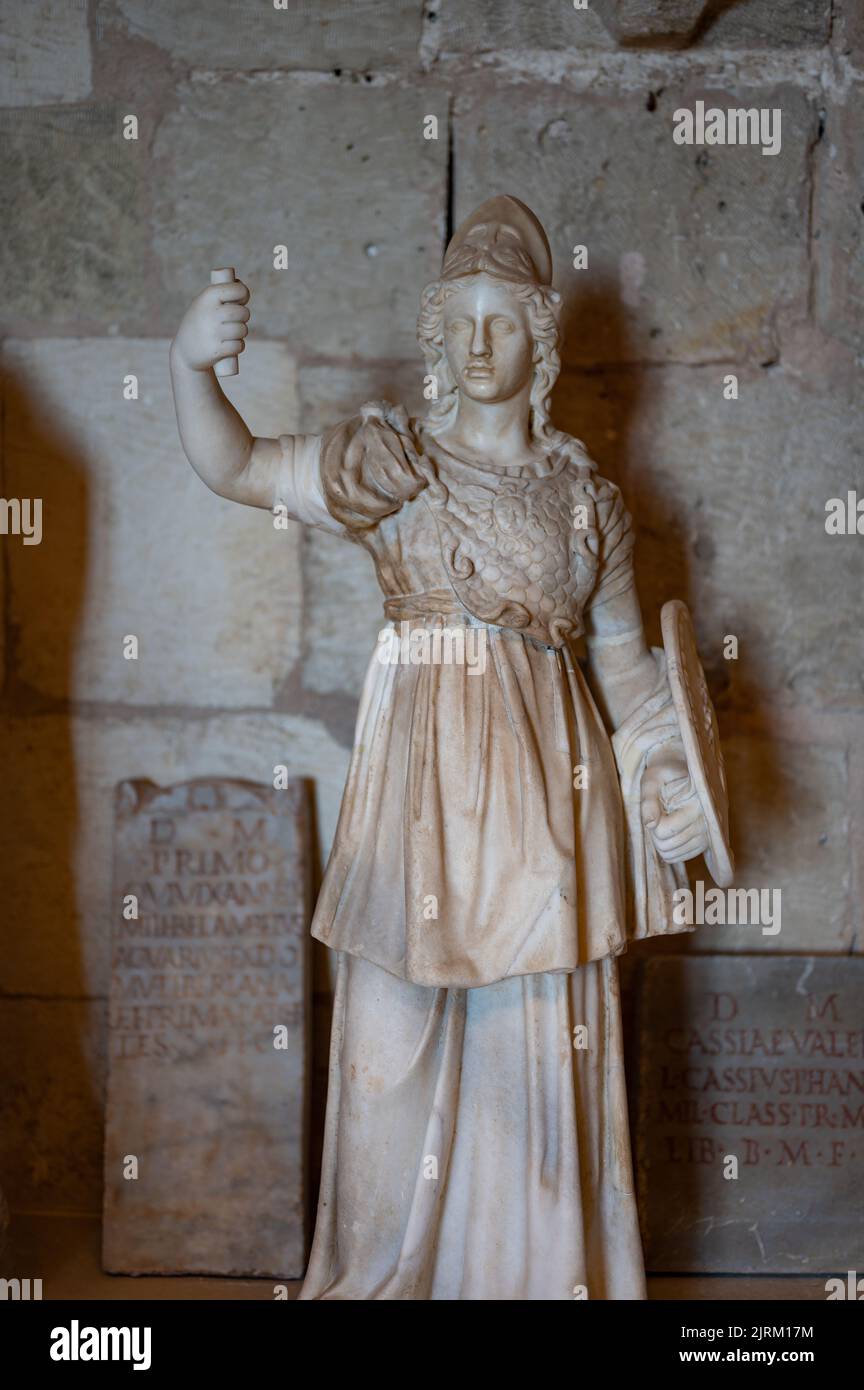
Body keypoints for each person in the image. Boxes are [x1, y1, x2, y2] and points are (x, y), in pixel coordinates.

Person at [170, 195, 710, 1300]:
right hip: (413, 807)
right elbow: (239, 469)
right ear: (436, 334)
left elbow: (627, 674)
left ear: (540, 339)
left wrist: (672, 780)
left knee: (532, 1056)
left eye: (501, 320)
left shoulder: (587, 507)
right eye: (458, 319)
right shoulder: (391, 463)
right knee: (386, 1058)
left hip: (542, 815)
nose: (476, 342)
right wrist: (190, 370)